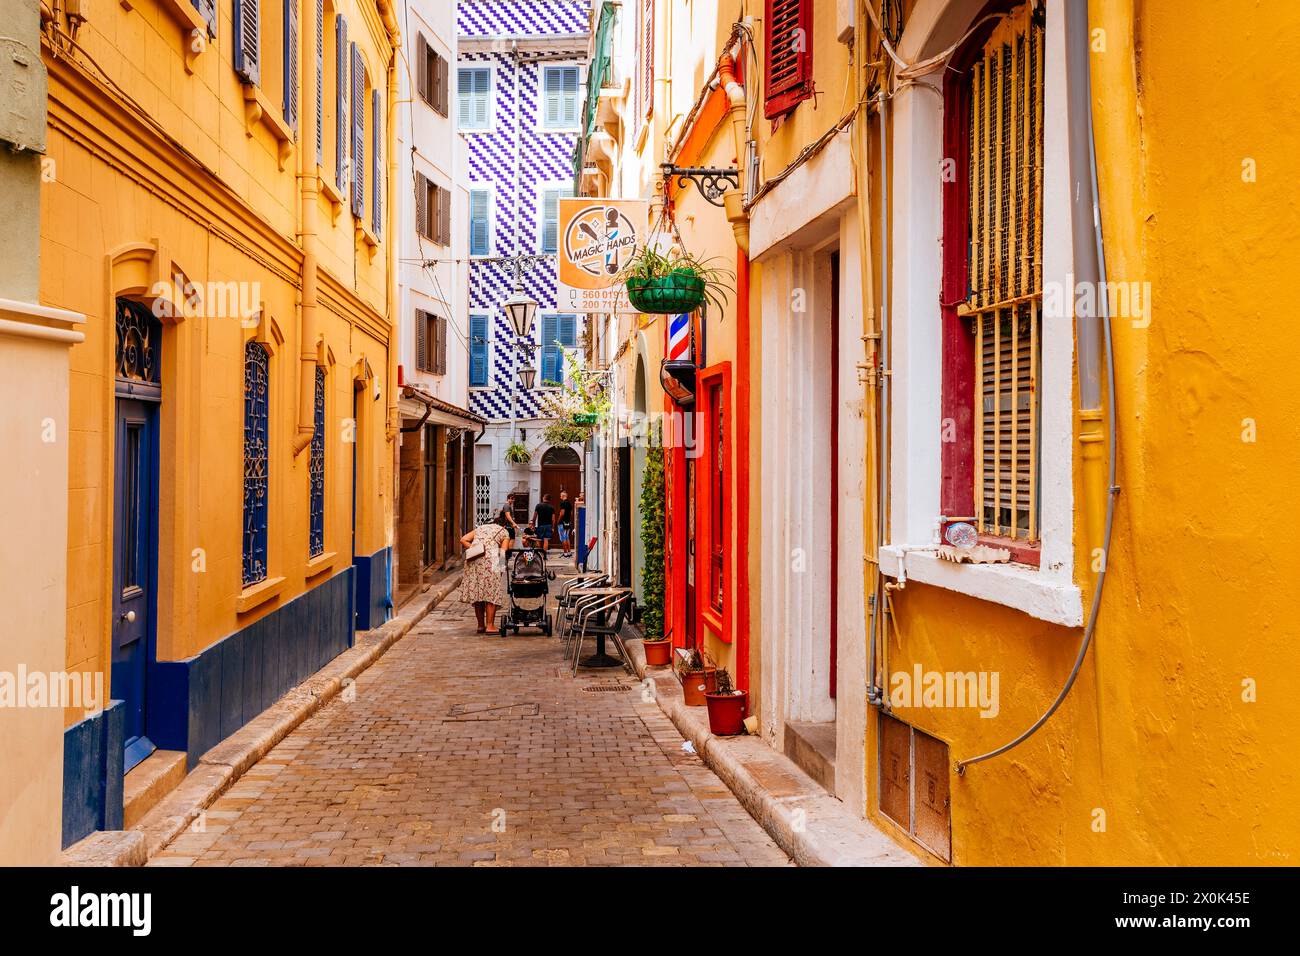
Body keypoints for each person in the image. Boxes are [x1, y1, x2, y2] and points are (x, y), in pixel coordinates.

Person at [458, 513, 512, 633]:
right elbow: (503, 551)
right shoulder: (504, 531)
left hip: (473, 559)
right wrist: (501, 570)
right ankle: (490, 626)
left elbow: (463, 539)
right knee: (490, 592)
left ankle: (480, 625)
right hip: (491, 559)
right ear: (504, 525)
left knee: (478, 593)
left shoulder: (480, 528)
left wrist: (476, 549)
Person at [557, 490, 575, 558]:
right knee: (567, 537)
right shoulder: (569, 503)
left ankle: (565, 553)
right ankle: (569, 552)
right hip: (568, 522)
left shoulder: (563, 503)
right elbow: (571, 513)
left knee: (563, 538)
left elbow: (562, 513)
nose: (560, 496)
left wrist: (558, 521)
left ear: (563, 496)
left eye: (561, 495)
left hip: (562, 522)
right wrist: (569, 520)